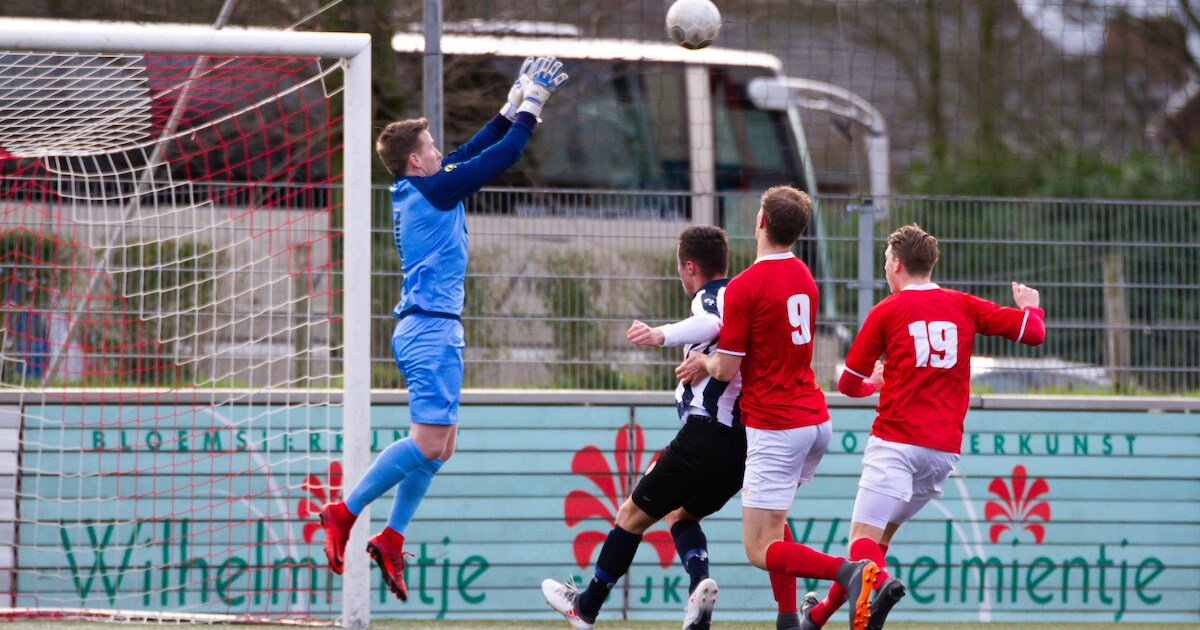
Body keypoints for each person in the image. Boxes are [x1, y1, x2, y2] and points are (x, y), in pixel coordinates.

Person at [318, 56, 569, 601]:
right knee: (427, 441)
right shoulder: (433, 190)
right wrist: (534, 104)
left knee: (441, 447)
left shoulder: (428, 184)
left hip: (433, 328)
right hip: (428, 332)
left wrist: (510, 102)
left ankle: (391, 537)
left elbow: (477, 146)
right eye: (432, 147)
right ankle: (345, 512)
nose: (441, 151)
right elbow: (500, 156)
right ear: (415, 159)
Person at [799, 224, 1046, 630]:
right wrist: (1030, 305)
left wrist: (871, 385)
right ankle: (821, 615)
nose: (884, 270)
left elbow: (845, 383)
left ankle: (882, 586)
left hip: (896, 442)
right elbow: (1033, 333)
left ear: (897, 264)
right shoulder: (964, 305)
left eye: (884, 262)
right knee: (876, 543)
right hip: (942, 454)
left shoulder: (887, 311)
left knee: (861, 542)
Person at [679, 186, 879, 630]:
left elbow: (727, 369)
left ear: (761, 223)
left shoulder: (746, 285)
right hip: (813, 418)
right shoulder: (804, 276)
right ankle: (789, 618)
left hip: (776, 423)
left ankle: (848, 572)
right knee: (775, 521)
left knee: (758, 548)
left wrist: (703, 360)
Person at [542, 225, 743, 630]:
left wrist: (660, 334)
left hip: (705, 436)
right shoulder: (745, 299)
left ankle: (586, 607)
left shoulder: (714, 297)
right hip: (741, 445)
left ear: (689, 267)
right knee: (680, 516)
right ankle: (699, 594)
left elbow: (710, 321)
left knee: (631, 514)